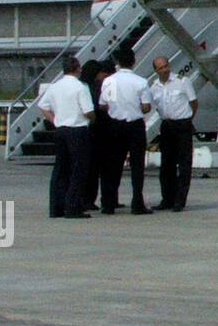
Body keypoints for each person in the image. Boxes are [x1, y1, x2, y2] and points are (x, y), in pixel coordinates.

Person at [36, 55, 95, 219]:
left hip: (61, 130)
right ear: (77, 69)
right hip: (78, 129)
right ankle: (73, 206)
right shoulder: (80, 87)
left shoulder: (55, 87)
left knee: (60, 168)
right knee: (78, 169)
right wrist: (94, 118)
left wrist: (54, 120)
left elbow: (43, 106)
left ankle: (56, 207)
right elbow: (87, 111)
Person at [99, 46, 153, 214]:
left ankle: (109, 203)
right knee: (137, 166)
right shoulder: (140, 82)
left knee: (113, 165)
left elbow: (103, 104)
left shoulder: (110, 81)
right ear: (133, 62)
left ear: (118, 63)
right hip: (135, 125)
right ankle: (137, 202)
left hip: (115, 124)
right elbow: (146, 107)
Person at [151, 56, 198, 212]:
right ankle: (167, 198)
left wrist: (188, 119)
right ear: (156, 71)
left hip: (182, 124)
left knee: (184, 164)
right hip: (167, 125)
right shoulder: (155, 86)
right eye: (161, 68)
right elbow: (155, 106)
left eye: (166, 66)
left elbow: (194, 103)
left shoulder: (182, 81)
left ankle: (180, 200)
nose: (165, 70)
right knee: (166, 165)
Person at [77, 58, 106, 212]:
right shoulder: (91, 89)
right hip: (92, 131)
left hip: (80, 131)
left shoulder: (80, 86)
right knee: (92, 168)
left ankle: (82, 197)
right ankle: (88, 198)